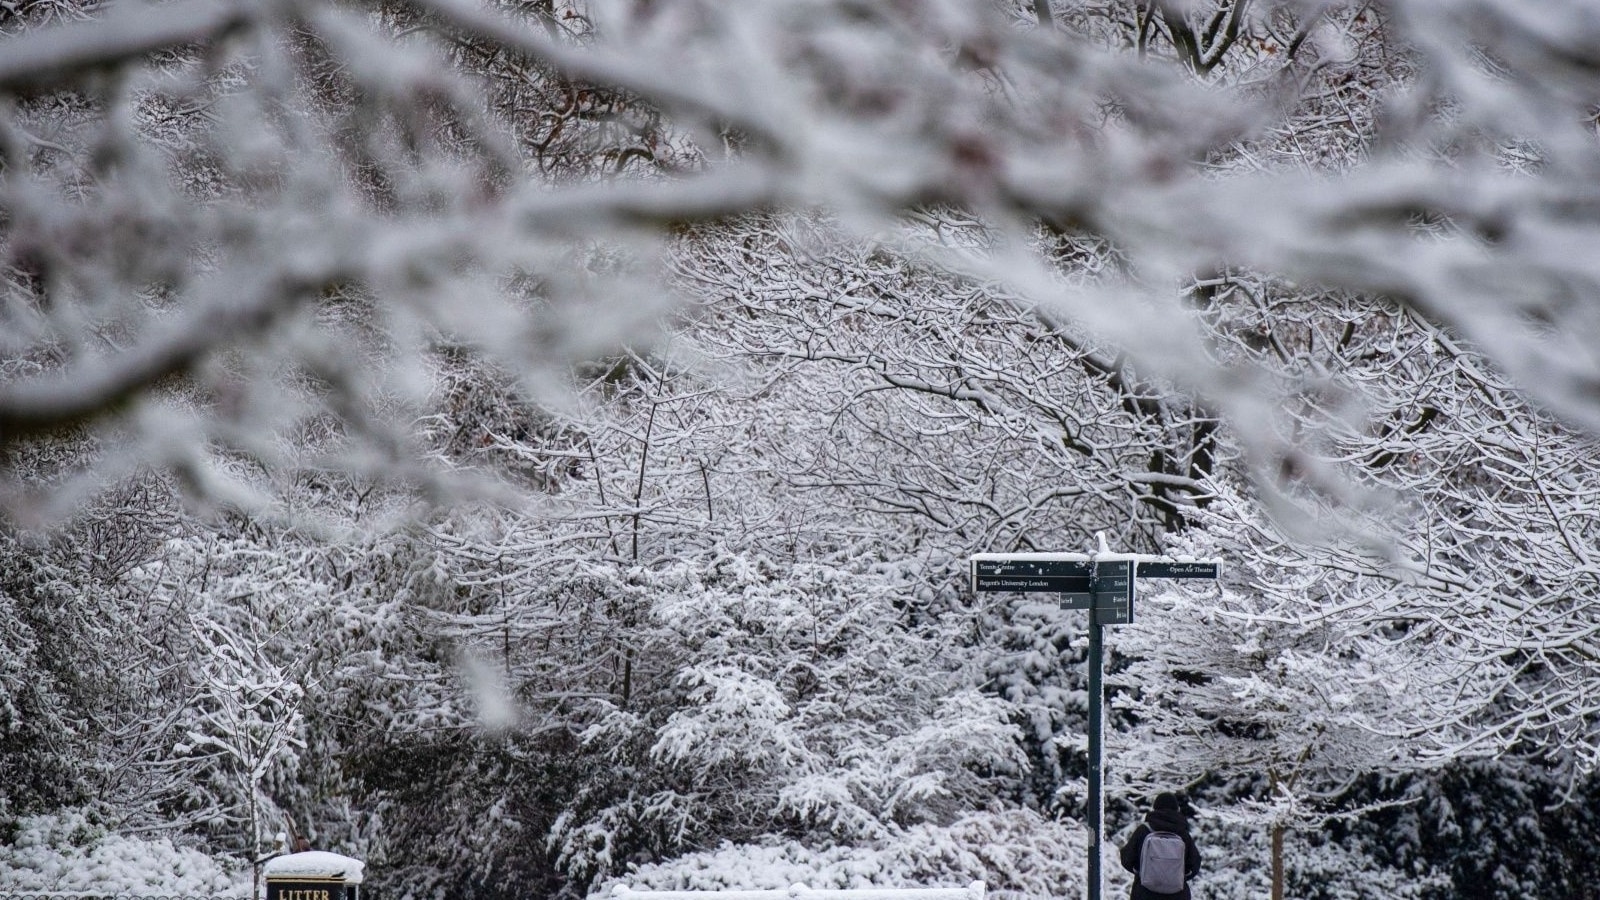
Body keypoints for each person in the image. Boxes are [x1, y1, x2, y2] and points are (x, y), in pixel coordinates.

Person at [1119, 792, 1202, 899]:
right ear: (1177, 809)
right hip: (1177, 895)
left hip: (1144, 893)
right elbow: (1194, 865)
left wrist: (1141, 872)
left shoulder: (1144, 831)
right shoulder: (1183, 834)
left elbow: (1126, 859)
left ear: (1155, 808)